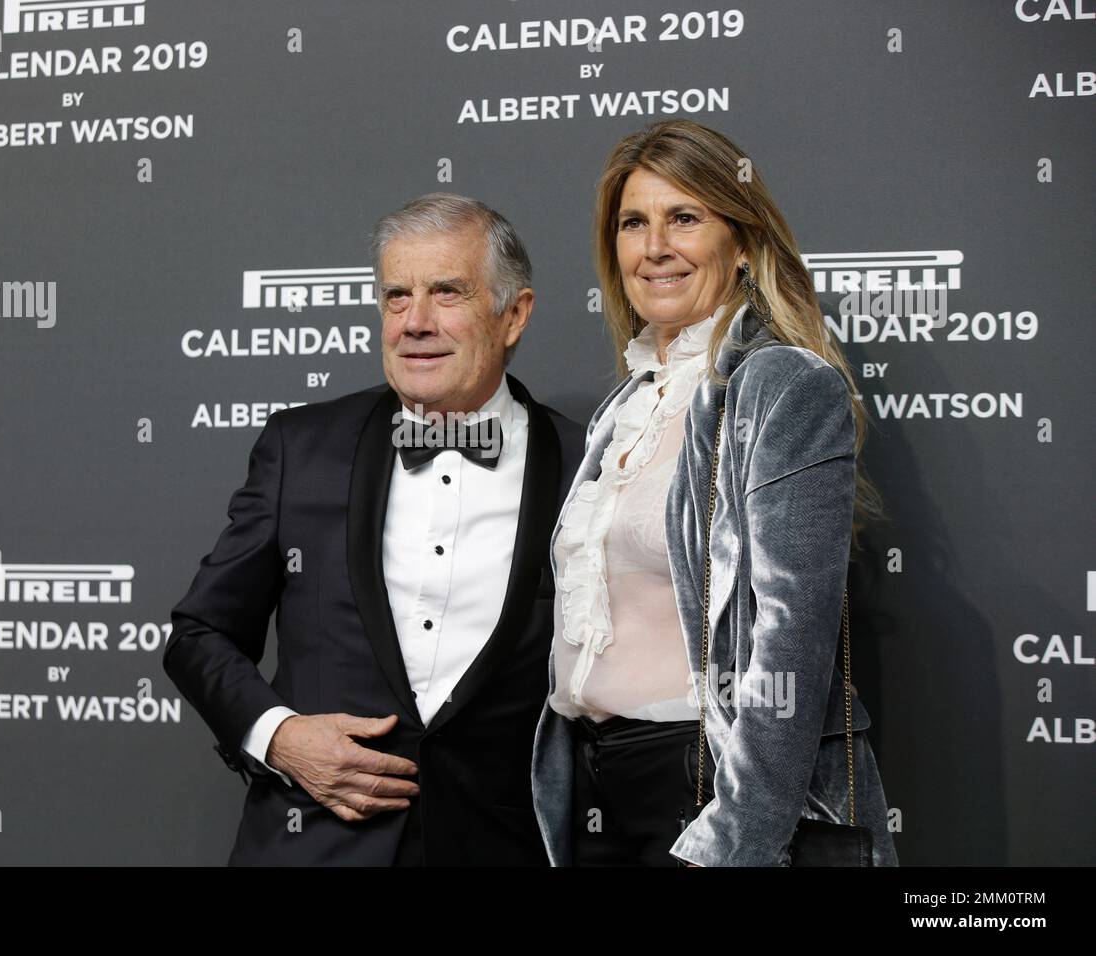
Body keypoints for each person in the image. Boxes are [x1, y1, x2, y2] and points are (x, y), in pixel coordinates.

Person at [165, 192, 584, 865]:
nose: (414, 322)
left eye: (446, 292)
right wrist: (279, 736)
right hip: (314, 846)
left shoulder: (586, 466)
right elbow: (199, 635)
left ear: (514, 315)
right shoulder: (302, 450)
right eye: (396, 296)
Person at [531, 119, 900, 866]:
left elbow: (792, 635)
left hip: (708, 789)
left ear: (742, 242)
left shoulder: (783, 384)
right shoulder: (629, 402)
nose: (655, 246)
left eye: (685, 217)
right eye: (634, 222)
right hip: (601, 786)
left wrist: (735, 837)